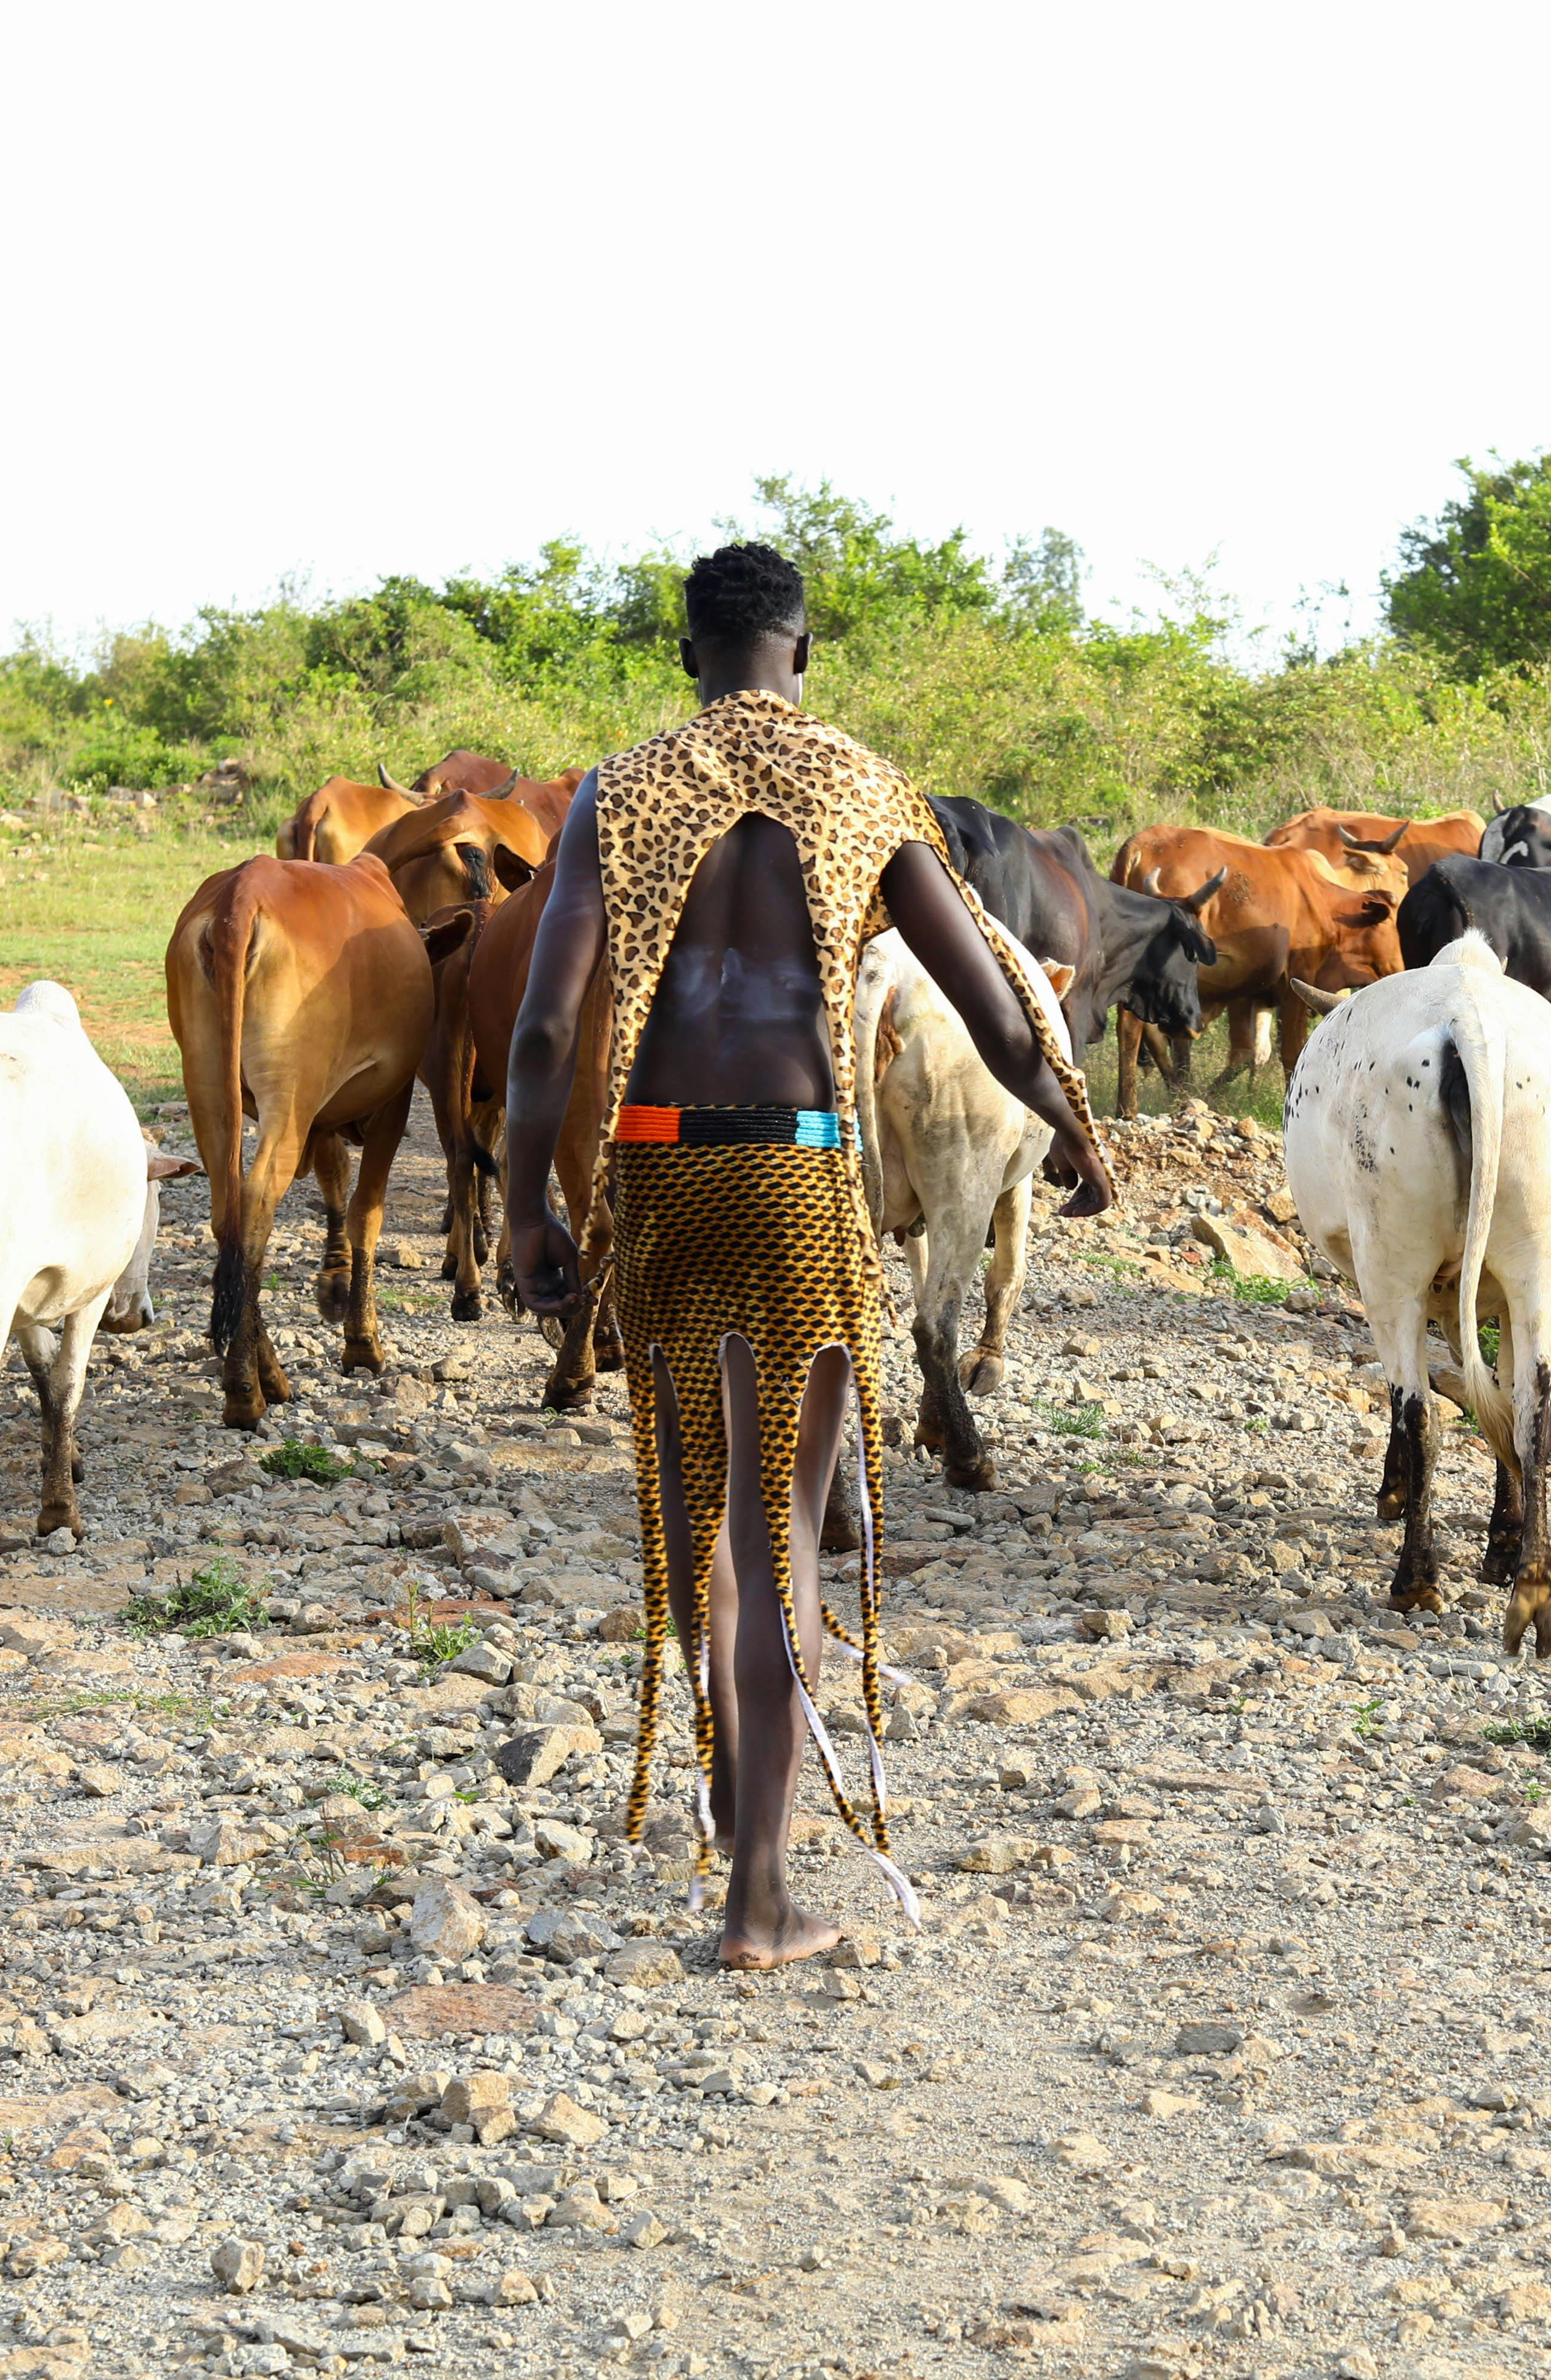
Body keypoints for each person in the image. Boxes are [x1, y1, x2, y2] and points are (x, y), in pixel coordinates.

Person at [497, 543, 1112, 1970]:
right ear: (803, 652)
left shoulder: (617, 791)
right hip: (797, 1167)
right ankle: (761, 1897)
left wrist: (526, 1206)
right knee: (783, 1532)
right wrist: (1075, 1128)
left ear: (688, 655)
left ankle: (740, 1794)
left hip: (659, 1168)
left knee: (701, 1525)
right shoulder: (864, 787)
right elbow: (1000, 1007)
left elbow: (543, 1028)